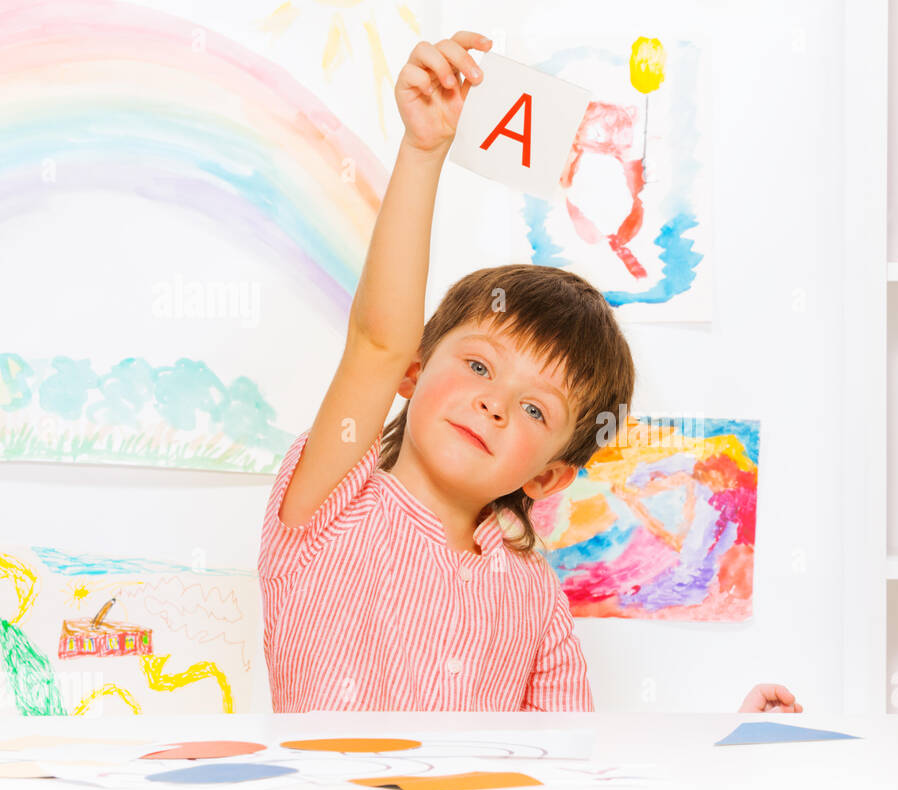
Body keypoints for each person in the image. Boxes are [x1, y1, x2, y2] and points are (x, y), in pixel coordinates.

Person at [258, 31, 799, 715]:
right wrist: (425, 151)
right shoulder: (329, 503)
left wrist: (718, 744)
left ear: (547, 477)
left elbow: (574, 774)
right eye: (479, 365)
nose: (494, 405)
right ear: (412, 371)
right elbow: (375, 341)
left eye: (536, 410)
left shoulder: (533, 595)